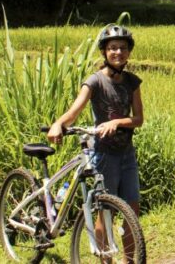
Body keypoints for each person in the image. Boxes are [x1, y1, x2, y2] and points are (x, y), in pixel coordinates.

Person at [47, 25, 144, 256]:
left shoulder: (132, 82)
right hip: (104, 154)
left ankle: (131, 260)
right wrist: (58, 124)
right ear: (104, 52)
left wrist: (117, 122)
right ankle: (106, 261)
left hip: (126, 154)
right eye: (112, 48)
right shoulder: (95, 81)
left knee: (133, 209)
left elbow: (138, 119)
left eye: (122, 48)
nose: (118, 52)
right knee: (105, 211)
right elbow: (75, 111)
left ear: (129, 52)